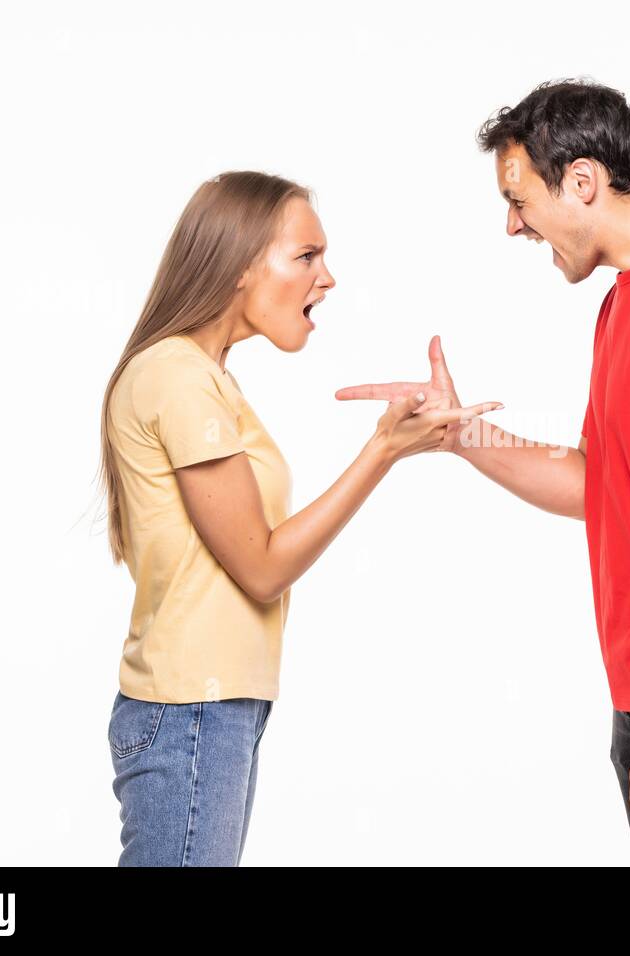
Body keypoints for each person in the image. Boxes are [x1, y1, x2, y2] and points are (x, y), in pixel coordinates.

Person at [336, 80, 630, 866]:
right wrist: (465, 434)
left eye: (518, 197)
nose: (511, 225)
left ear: (584, 180)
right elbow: (603, 483)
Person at [97, 171, 500, 866]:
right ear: (239, 264)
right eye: (307, 256)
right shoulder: (177, 374)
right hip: (193, 709)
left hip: (210, 709)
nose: (328, 278)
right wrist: (383, 451)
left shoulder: (204, 375)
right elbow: (261, 566)